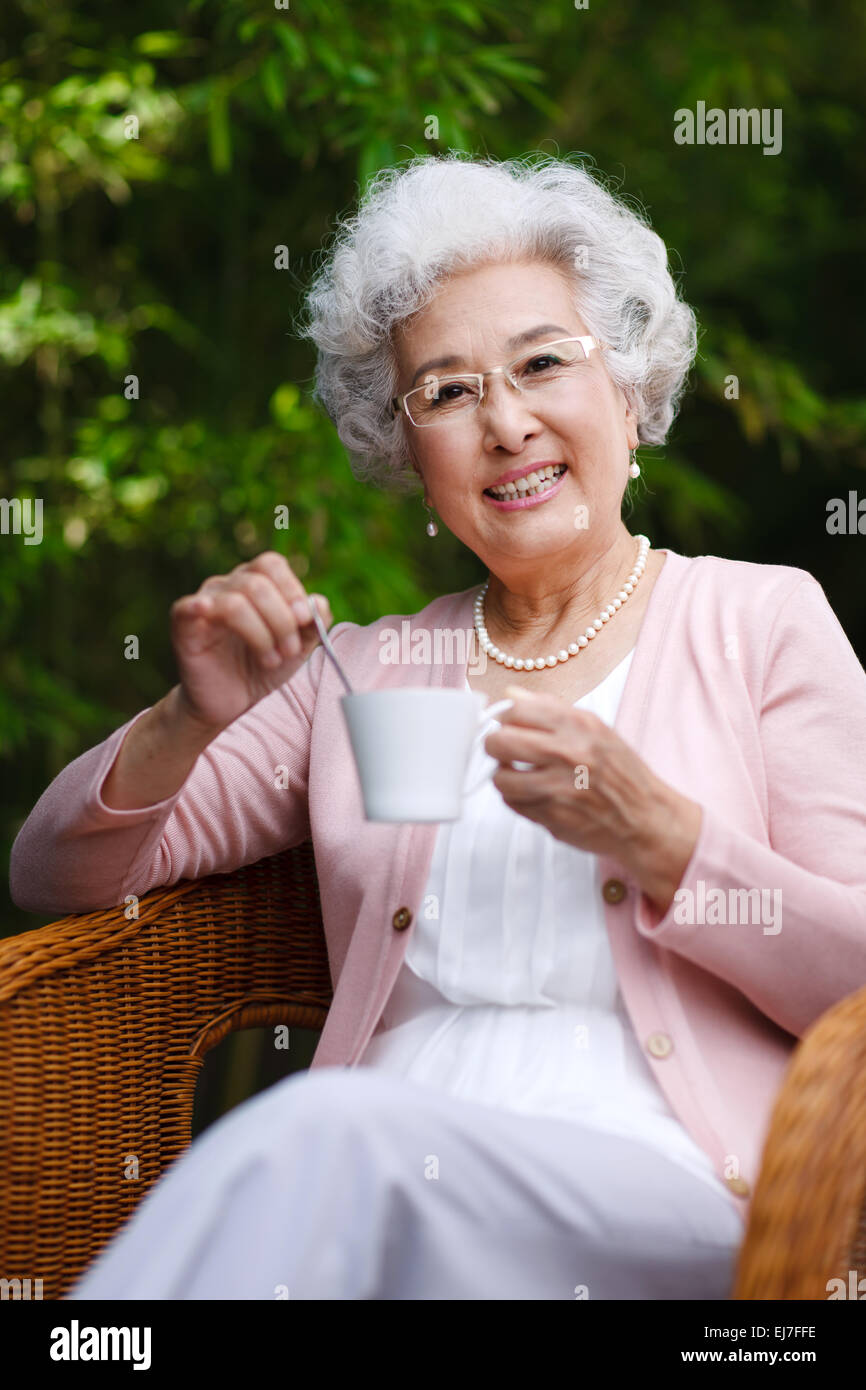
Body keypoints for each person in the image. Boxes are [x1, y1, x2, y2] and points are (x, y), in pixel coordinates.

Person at [10, 152, 866, 1301]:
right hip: (391, 1205)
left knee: (324, 1135)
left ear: (627, 384)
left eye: (541, 363)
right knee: (342, 1157)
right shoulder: (355, 672)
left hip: (669, 1204)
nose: (505, 422)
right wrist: (189, 714)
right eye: (448, 392)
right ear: (405, 447)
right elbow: (56, 869)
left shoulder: (756, 619)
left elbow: (852, 983)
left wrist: (662, 837)